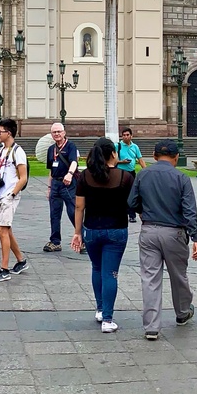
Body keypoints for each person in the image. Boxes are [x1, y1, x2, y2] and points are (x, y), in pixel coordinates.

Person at [129, 139, 197, 340]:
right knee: (179, 275)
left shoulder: (143, 174)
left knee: (150, 278)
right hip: (174, 232)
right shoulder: (181, 177)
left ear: (154, 155)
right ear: (176, 157)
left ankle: (151, 326)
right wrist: (195, 235)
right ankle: (182, 311)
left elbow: (131, 202)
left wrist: (143, 210)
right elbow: (189, 210)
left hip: (149, 230)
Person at [72, 138, 132, 333]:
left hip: (91, 229)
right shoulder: (124, 177)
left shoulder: (85, 176)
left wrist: (77, 232)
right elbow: (133, 203)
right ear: (113, 154)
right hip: (116, 229)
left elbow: (79, 206)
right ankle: (107, 318)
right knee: (110, 273)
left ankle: (100, 309)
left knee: (97, 268)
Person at [0, 118, 29, 281]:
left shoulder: (18, 151)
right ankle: (21, 260)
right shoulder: (0, 151)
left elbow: (23, 178)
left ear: (9, 133)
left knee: (2, 230)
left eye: (0, 131)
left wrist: (12, 194)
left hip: (9, 195)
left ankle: (4, 269)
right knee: (5, 229)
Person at [43, 122, 78, 253]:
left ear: (64, 133)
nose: (57, 134)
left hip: (67, 183)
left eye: (59, 131)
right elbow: (51, 170)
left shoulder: (70, 146)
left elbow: (74, 161)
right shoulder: (51, 149)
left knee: (73, 212)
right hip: (55, 184)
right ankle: (55, 241)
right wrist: (49, 187)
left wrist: (70, 174)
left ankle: (82, 238)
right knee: (54, 214)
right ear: (51, 134)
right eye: (54, 132)